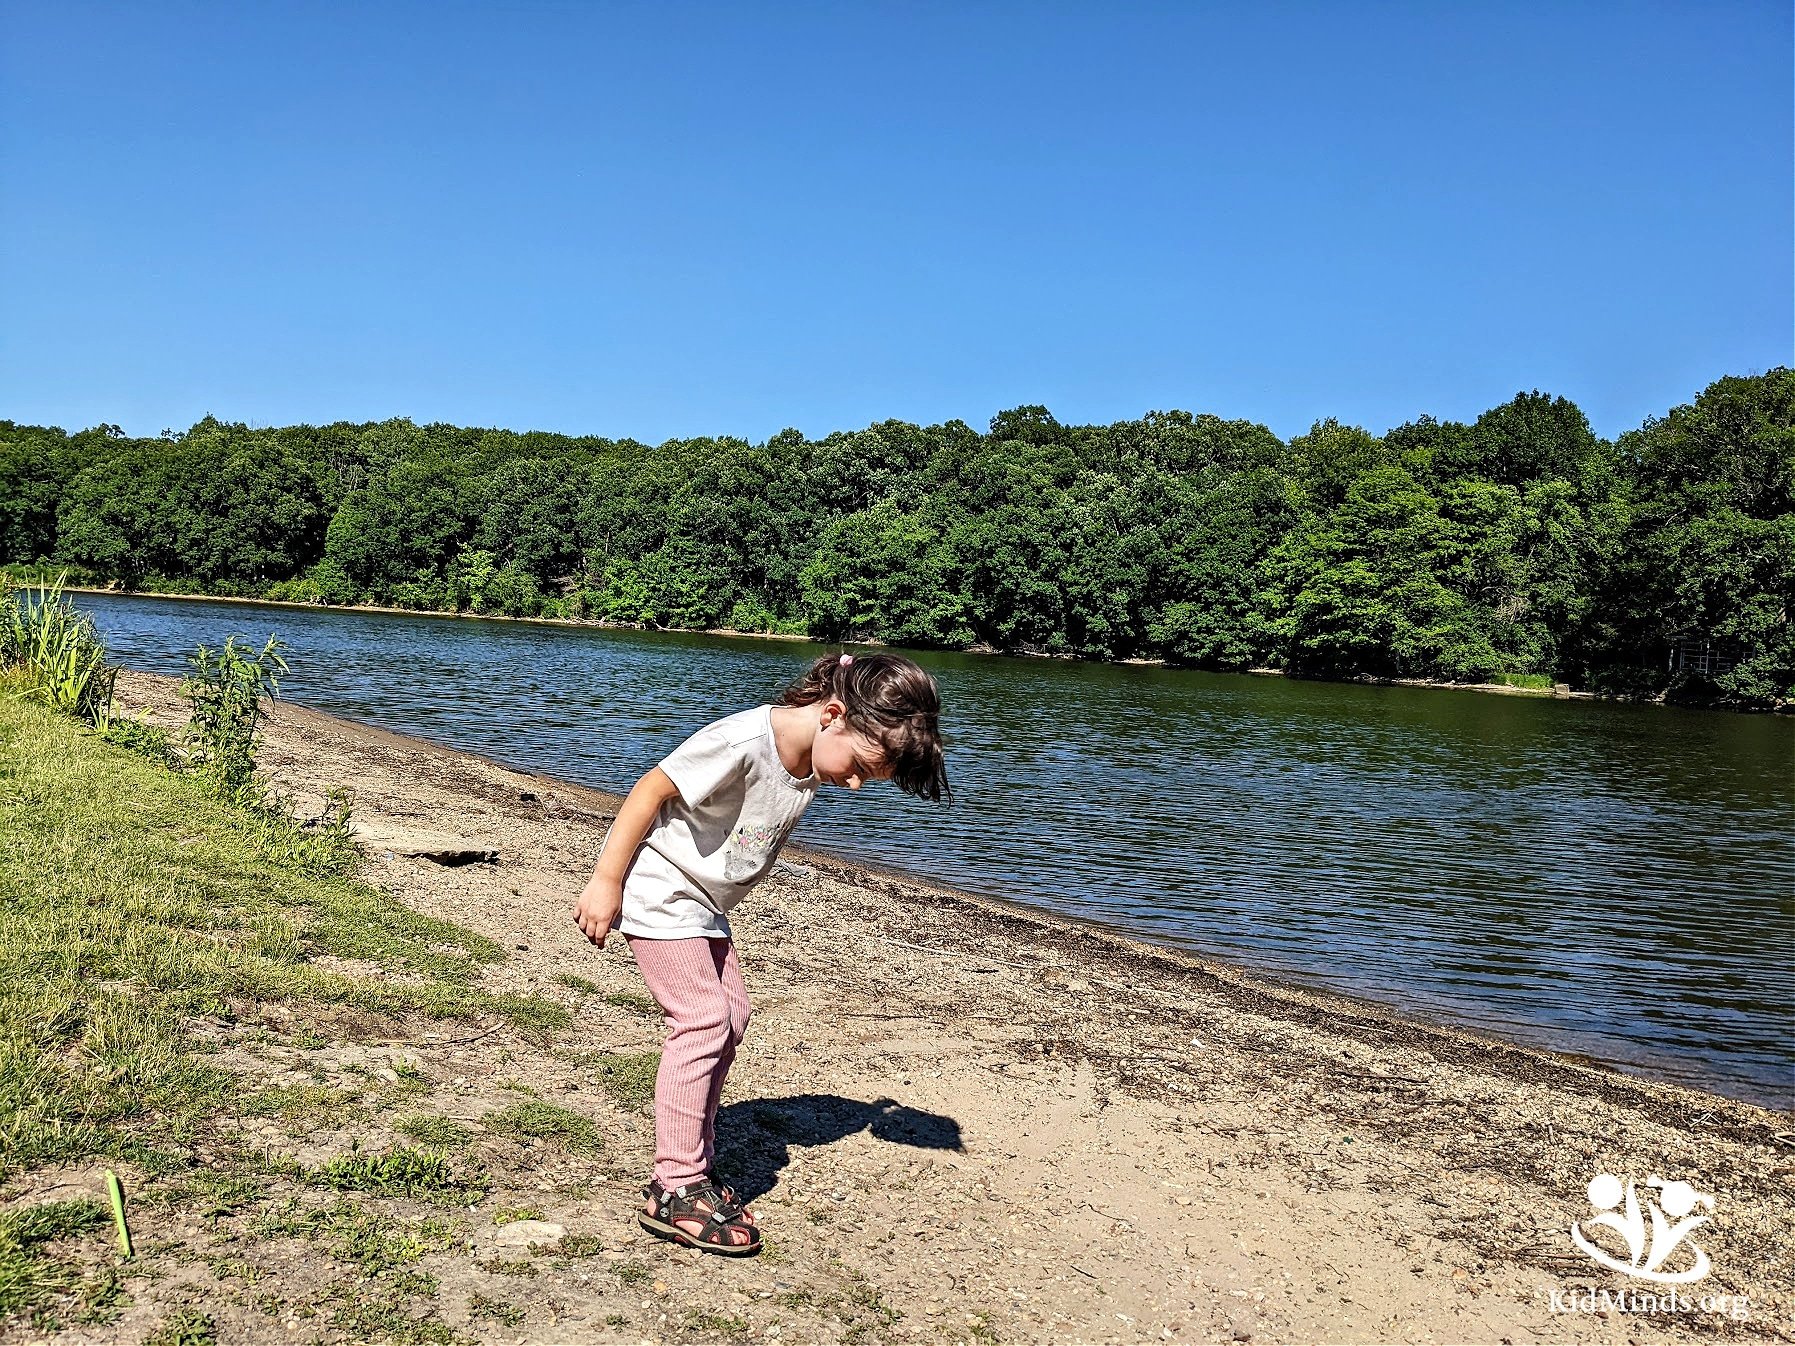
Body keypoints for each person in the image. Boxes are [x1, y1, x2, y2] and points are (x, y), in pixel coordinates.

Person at [572, 651, 950, 1255]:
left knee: (732, 1019)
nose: (853, 783)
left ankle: (693, 1145)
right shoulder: (745, 739)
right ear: (832, 715)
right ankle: (675, 1184)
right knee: (700, 1021)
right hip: (660, 889)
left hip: (705, 906)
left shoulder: (815, 754)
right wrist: (606, 881)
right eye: (858, 767)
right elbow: (649, 790)